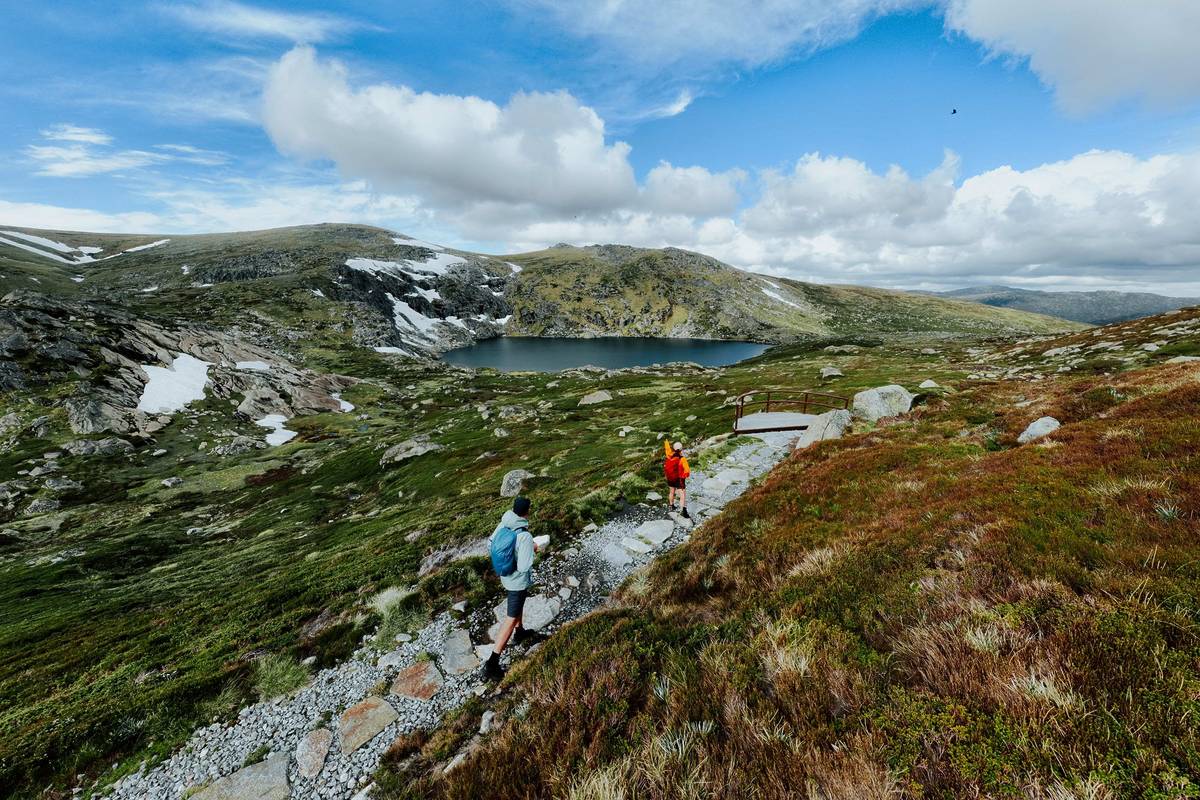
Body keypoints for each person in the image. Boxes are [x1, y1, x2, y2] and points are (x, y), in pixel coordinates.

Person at [483, 495, 544, 680]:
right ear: (528, 511)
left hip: (505, 576)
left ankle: (520, 632)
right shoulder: (524, 535)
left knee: (518, 607)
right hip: (517, 582)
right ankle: (492, 663)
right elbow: (525, 566)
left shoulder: (504, 523)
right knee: (510, 618)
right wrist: (533, 548)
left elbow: (490, 544)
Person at [663, 440, 690, 519]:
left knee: (672, 492)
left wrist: (666, 443)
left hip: (670, 478)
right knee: (682, 495)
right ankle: (683, 511)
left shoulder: (669, 455)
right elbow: (687, 471)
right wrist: (684, 476)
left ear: (674, 448)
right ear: (681, 449)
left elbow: (667, 449)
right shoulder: (682, 459)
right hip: (679, 479)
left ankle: (671, 506)